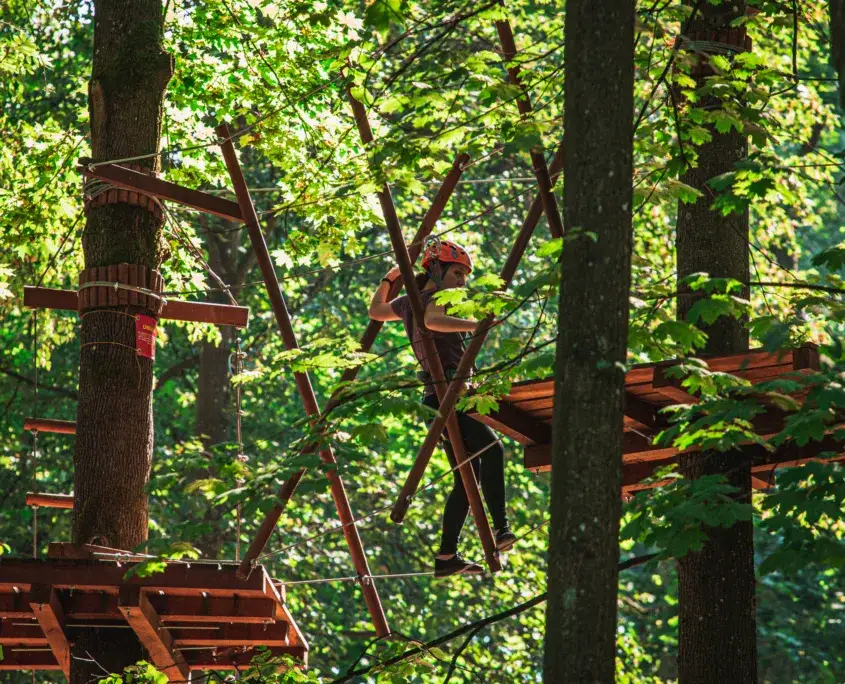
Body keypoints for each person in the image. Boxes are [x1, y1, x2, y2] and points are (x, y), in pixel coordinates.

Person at [368, 239, 515, 577]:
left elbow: (376, 311)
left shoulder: (407, 302)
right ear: (435, 270)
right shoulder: (435, 299)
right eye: (456, 273)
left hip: (440, 397)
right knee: (493, 450)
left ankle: (447, 556)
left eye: (464, 275)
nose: (461, 281)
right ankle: (502, 527)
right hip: (448, 395)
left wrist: (389, 279)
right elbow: (433, 320)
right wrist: (476, 326)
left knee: (466, 480)